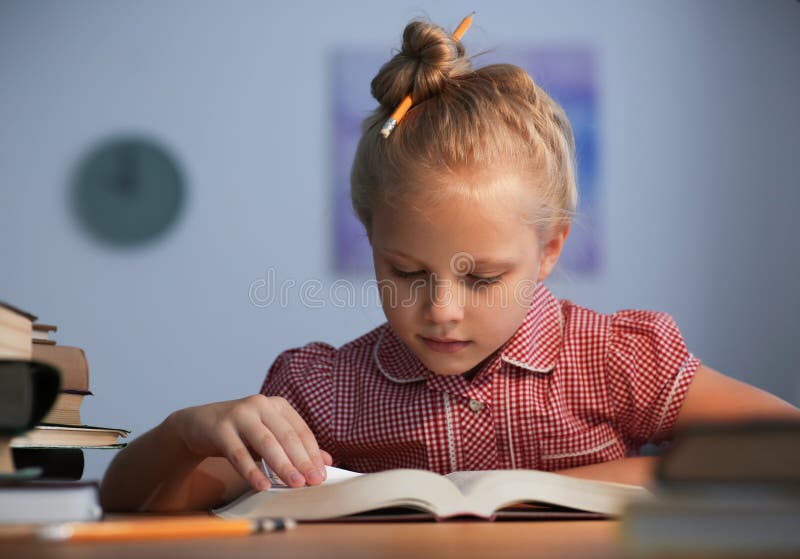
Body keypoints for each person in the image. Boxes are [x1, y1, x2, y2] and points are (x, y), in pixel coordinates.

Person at [100, 18, 800, 512]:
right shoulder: (318, 390)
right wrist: (183, 432)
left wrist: (564, 486)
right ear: (371, 239)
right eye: (405, 272)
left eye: (481, 277)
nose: (440, 308)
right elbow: (132, 503)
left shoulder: (616, 358)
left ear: (550, 248)